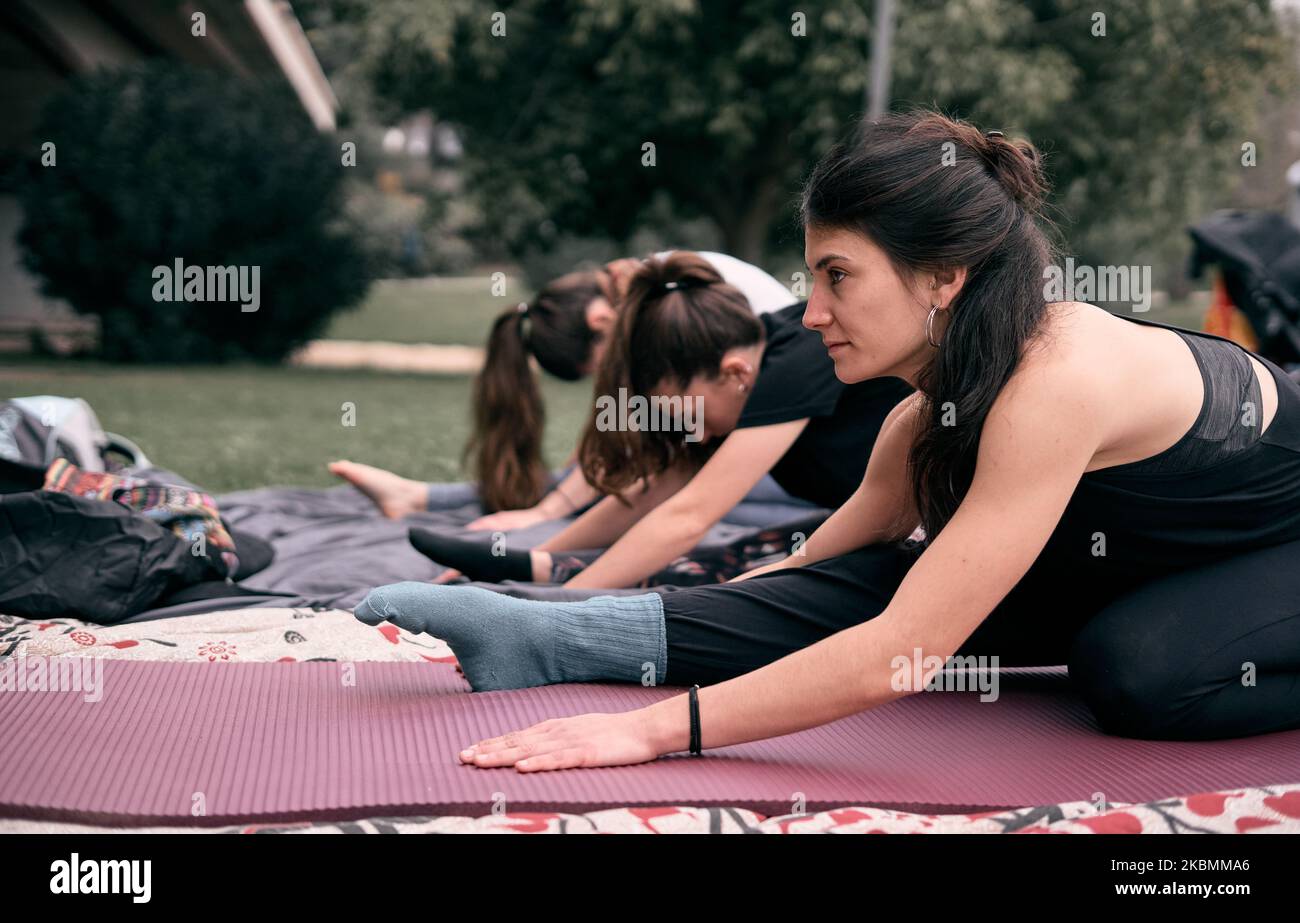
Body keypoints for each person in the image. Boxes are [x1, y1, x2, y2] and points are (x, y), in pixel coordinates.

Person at [354, 110, 1300, 762]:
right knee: (879, 580)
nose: (810, 314)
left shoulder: (1057, 381)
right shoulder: (921, 415)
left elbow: (905, 651)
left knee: (1130, 670)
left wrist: (653, 731)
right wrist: (596, 626)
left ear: (943, 278)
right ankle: (558, 638)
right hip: (1168, 556)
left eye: (837, 276)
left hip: (1278, 551)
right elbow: (814, 579)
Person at [408, 251, 913, 587]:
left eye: (685, 412)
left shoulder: (798, 358)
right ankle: (545, 569)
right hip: (882, 520)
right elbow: (654, 490)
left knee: (750, 574)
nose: (691, 429)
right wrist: (531, 558)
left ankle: (556, 577)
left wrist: (555, 607)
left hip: (929, 523)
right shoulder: (726, 380)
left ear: (734, 373)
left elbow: (689, 515)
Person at [328, 250, 808, 528]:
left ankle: (425, 497)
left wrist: (548, 516)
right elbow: (620, 447)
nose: (615, 385)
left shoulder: (674, 301)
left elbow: (638, 457)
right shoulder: (654, 298)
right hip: (764, 440)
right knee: (610, 488)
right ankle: (424, 496)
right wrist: (547, 513)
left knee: (658, 498)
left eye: (597, 369)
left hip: (791, 449)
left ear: (603, 322)